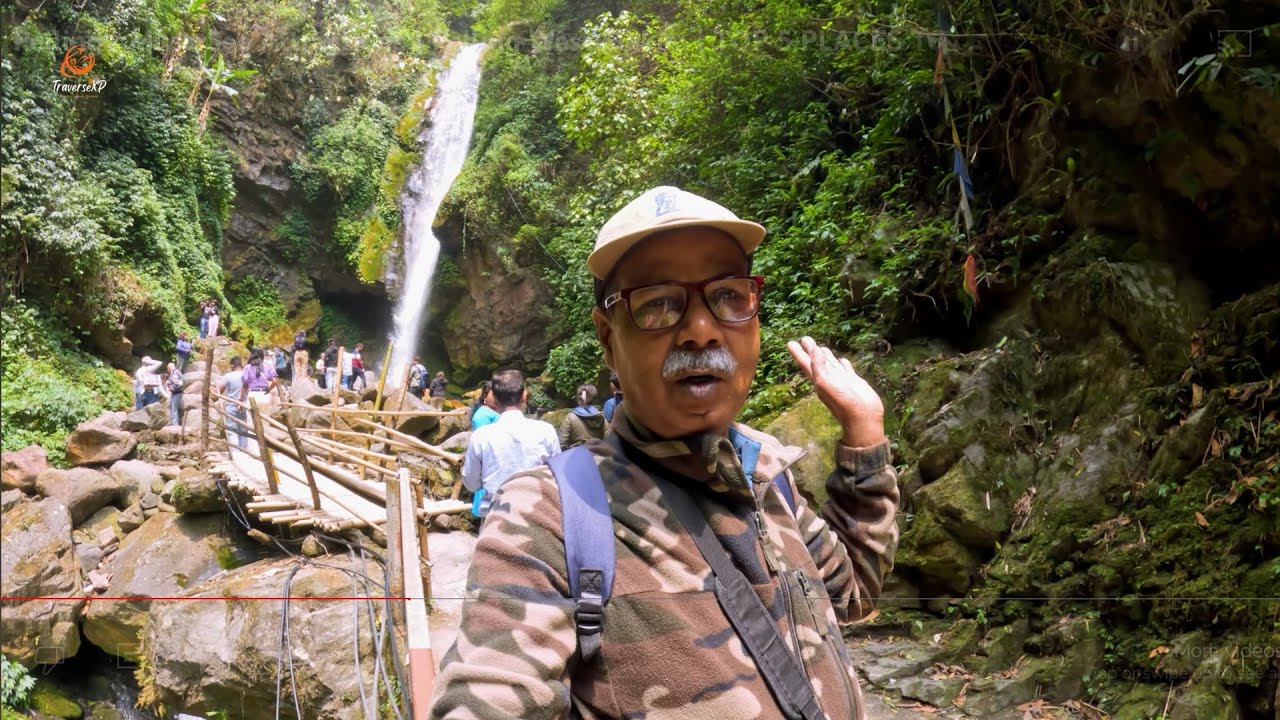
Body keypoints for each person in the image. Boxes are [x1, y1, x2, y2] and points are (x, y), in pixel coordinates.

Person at [429, 186, 899, 720]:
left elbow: (854, 593)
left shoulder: (771, 478)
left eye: (728, 296)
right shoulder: (550, 516)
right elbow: (486, 694)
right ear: (608, 339)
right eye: (658, 303)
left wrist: (864, 436)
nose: (700, 330)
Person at [459, 369, 560, 519]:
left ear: (493, 396)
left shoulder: (481, 436)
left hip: (495, 520)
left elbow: (471, 484)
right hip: (536, 517)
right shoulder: (546, 431)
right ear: (524, 395)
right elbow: (557, 476)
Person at [558, 383, 606, 449]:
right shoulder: (601, 417)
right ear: (595, 399)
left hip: (576, 455)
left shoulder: (571, 417)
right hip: (596, 454)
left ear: (578, 398)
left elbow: (562, 442)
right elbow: (608, 440)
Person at [217, 356, 248, 450]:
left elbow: (220, 390)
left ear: (232, 365)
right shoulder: (246, 375)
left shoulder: (228, 376)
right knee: (243, 431)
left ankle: (235, 453)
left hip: (231, 406)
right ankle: (244, 452)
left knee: (232, 431)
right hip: (243, 404)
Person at [165, 361, 184, 427]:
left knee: (174, 408)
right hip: (178, 393)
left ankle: (175, 424)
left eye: (169, 369)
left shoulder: (175, 373)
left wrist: (170, 385)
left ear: (170, 368)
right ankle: (175, 422)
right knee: (174, 408)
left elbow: (176, 383)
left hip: (177, 393)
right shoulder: (177, 372)